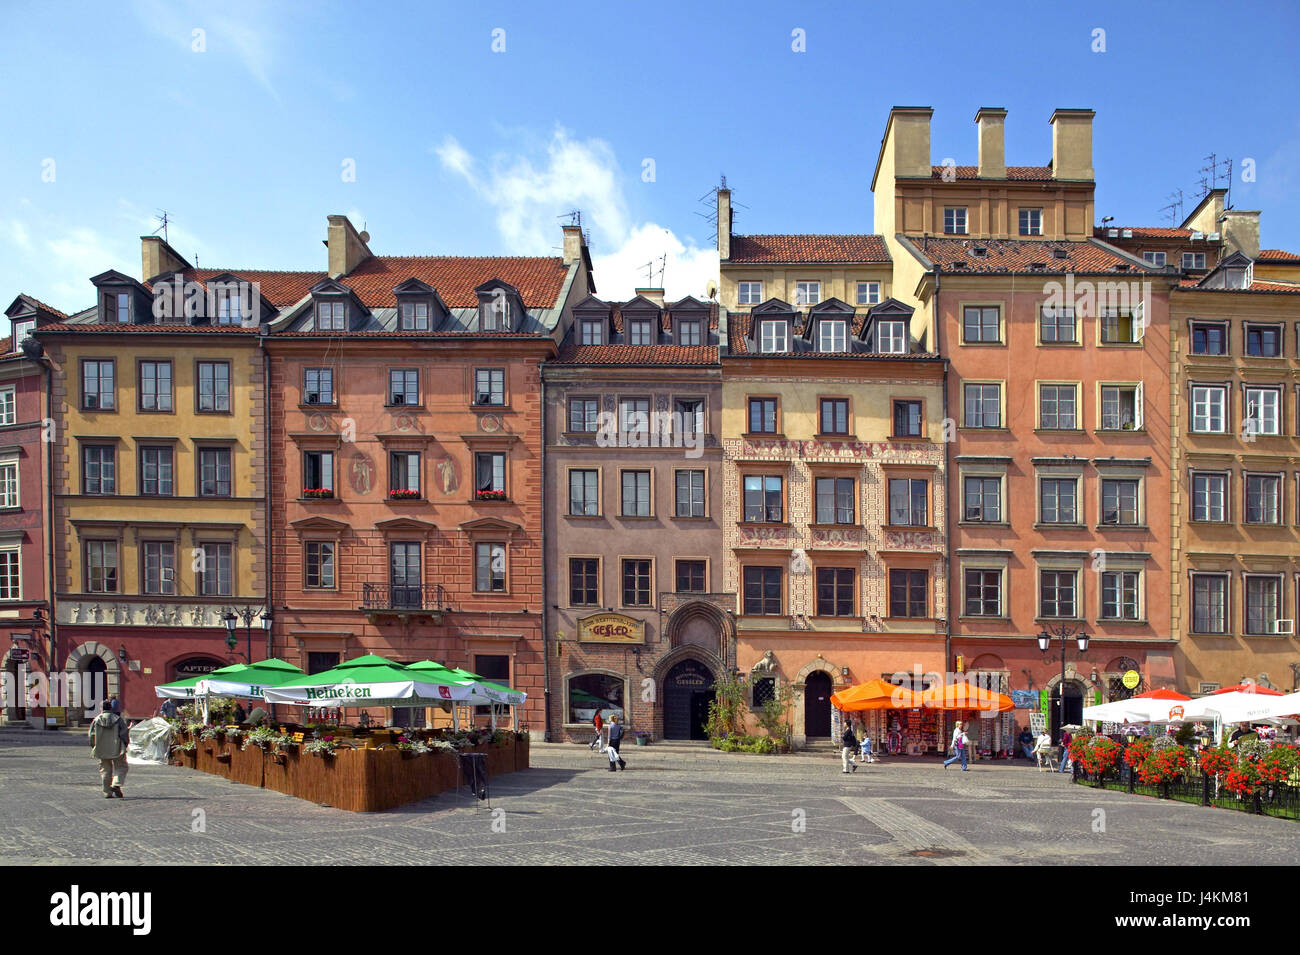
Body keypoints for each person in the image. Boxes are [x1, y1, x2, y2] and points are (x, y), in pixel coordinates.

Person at [89, 704, 130, 798]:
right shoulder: (118, 719)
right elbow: (124, 733)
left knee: (105, 770)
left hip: (102, 747)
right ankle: (116, 783)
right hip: (117, 747)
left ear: (101, 708)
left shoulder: (96, 720)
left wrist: (94, 746)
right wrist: (125, 744)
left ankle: (107, 792)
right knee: (121, 766)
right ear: (111, 708)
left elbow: (91, 735)